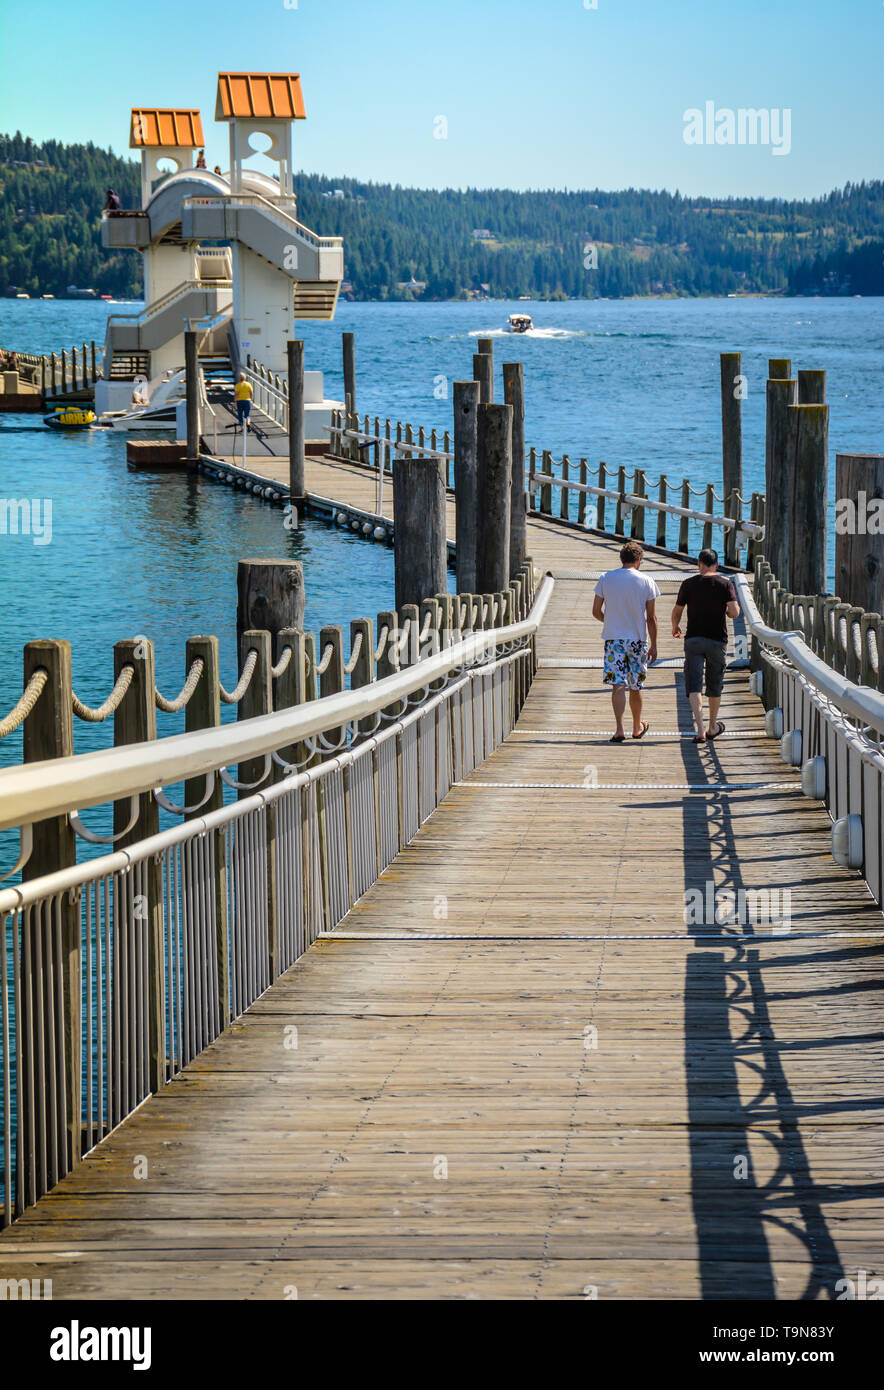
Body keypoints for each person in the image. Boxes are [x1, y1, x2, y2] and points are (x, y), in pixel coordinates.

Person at [592, 540, 659, 742]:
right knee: (636, 685)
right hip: (637, 639)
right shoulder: (647, 581)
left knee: (617, 685)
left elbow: (596, 611)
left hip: (614, 640)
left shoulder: (606, 578)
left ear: (621, 559)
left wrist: (610, 620)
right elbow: (651, 618)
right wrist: (654, 645)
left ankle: (619, 729)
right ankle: (637, 728)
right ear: (639, 560)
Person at [671, 547, 740, 743]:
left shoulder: (688, 584)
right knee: (714, 684)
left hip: (693, 640)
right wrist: (726, 611)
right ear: (717, 565)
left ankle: (700, 729)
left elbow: (677, 611)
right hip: (717, 640)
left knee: (694, 685)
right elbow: (734, 612)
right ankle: (712, 726)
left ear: (699, 564)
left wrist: (675, 627)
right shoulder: (725, 584)